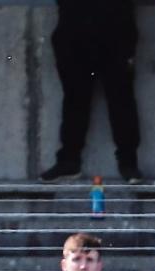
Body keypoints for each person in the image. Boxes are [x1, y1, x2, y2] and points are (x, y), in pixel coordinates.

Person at [40, 0, 142, 183]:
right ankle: (70, 160)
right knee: (76, 99)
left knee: (120, 98)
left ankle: (128, 162)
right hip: (76, 32)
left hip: (114, 32)